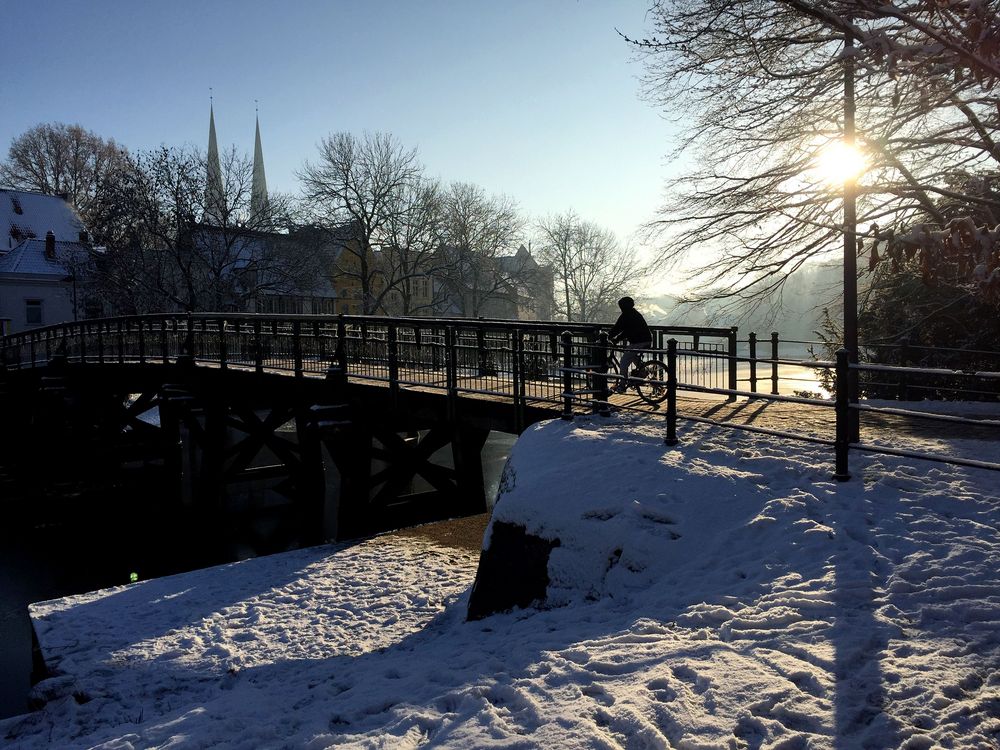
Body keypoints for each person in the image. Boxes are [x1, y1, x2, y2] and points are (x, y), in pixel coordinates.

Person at [608, 296, 652, 394]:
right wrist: (617, 338)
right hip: (645, 340)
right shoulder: (633, 313)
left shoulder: (627, 315)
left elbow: (618, 328)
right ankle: (643, 372)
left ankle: (622, 386)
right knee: (632, 356)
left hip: (639, 342)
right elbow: (625, 330)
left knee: (623, 362)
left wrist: (610, 337)